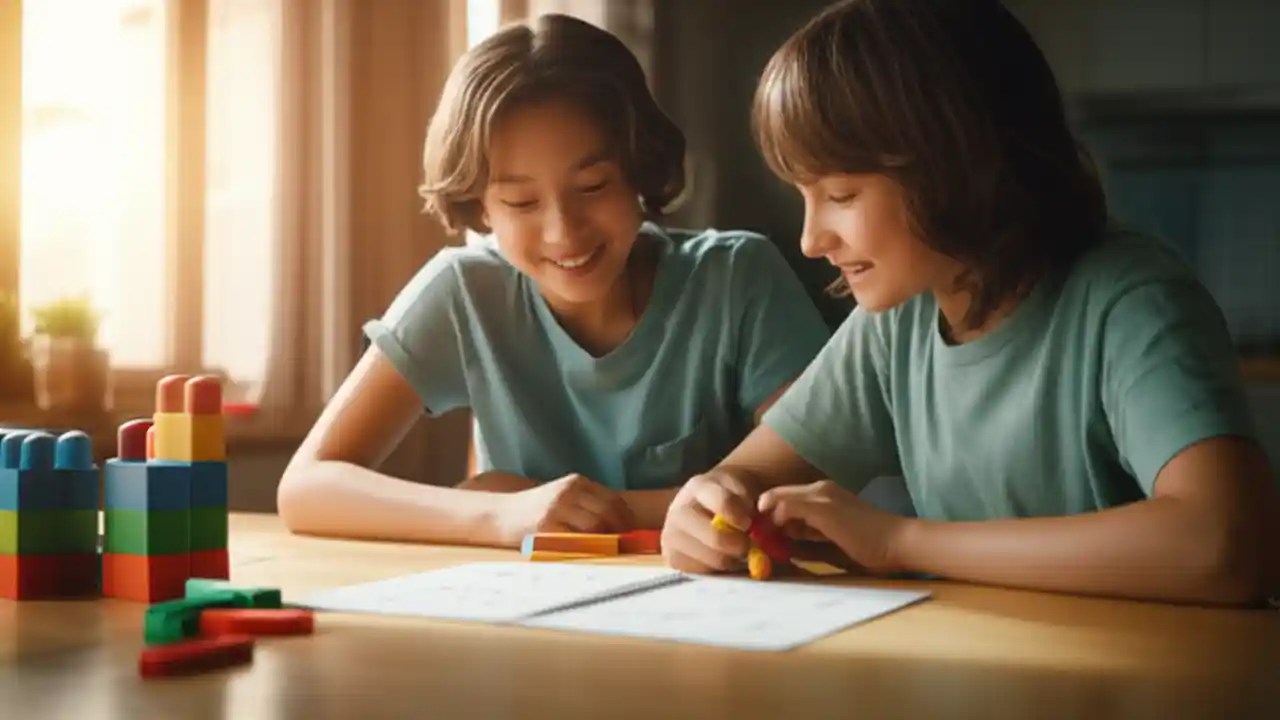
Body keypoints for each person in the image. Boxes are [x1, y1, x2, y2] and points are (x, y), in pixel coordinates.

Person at [660, 0, 1279, 606]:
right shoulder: (898, 318)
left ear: (956, 166)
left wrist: (904, 542)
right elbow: (748, 476)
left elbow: (1225, 543)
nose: (811, 239)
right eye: (804, 194)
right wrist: (708, 503)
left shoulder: (1130, 299)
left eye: (842, 194)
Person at [277, 14, 829, 547]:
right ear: (481, 207)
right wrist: (496, 512)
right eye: (521, 202)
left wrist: (571, 508)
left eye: (592, 186)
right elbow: (306, 487)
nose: (564, 232)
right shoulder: (465, 292)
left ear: (638, 168)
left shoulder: (735, 278)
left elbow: (817, 470)